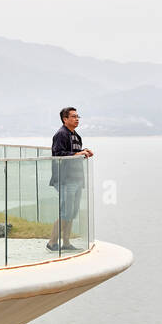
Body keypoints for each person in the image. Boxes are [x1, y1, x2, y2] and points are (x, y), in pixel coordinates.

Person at [49, 107, 92, 251]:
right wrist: (78, 153)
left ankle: (66, 243)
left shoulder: (76, 135)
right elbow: (58, 154)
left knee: (72, 212)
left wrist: (84, 152)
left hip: (76, 179)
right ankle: (52, 243)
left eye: (77, 116)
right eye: (73, 116)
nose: (77, 119)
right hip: (65, 180)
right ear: (65, 119)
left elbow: (73, 152)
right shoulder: (61, 134)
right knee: (65, 213)